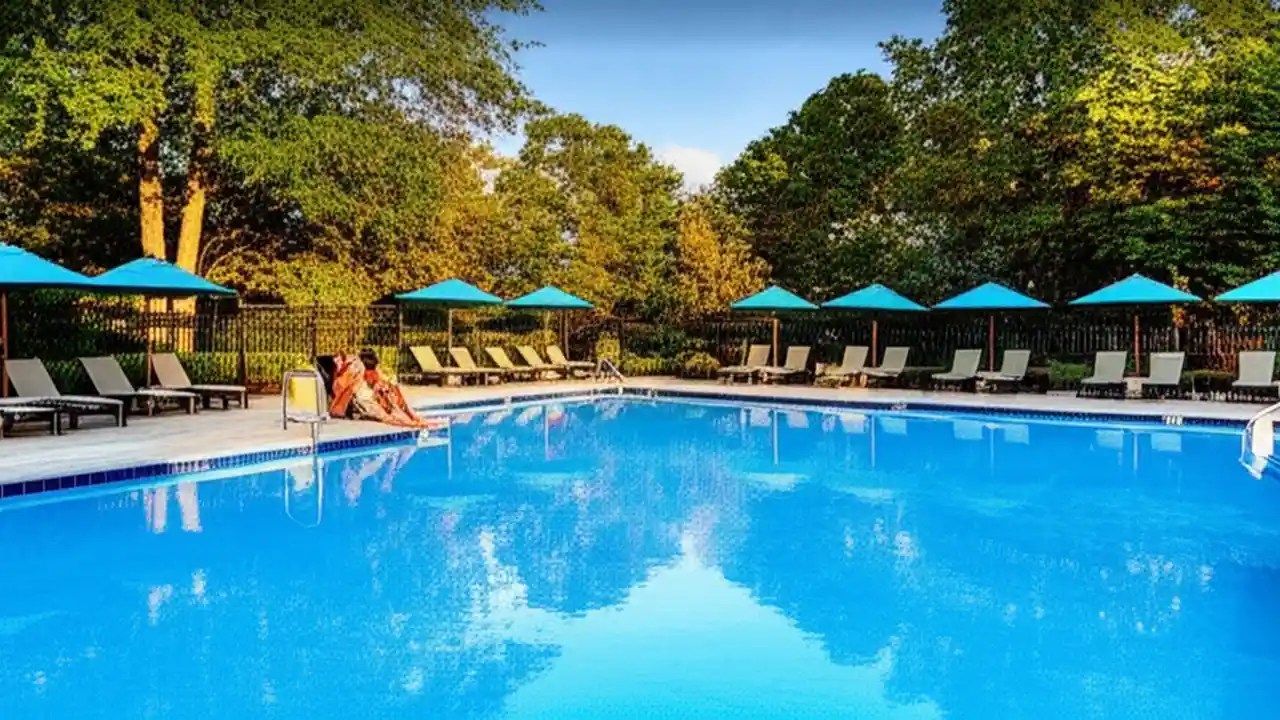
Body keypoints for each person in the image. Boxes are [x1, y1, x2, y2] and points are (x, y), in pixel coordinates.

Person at [328, 349, 441, 429]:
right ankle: (412, 419)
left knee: (389, 389)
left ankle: (413, 417)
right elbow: (385, 418)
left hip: (371, 397)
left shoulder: (367, 376)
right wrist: (412, 425)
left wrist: (413, 418)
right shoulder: (361, 393)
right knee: (386, 401)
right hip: (363, 406)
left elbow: (394, 399)